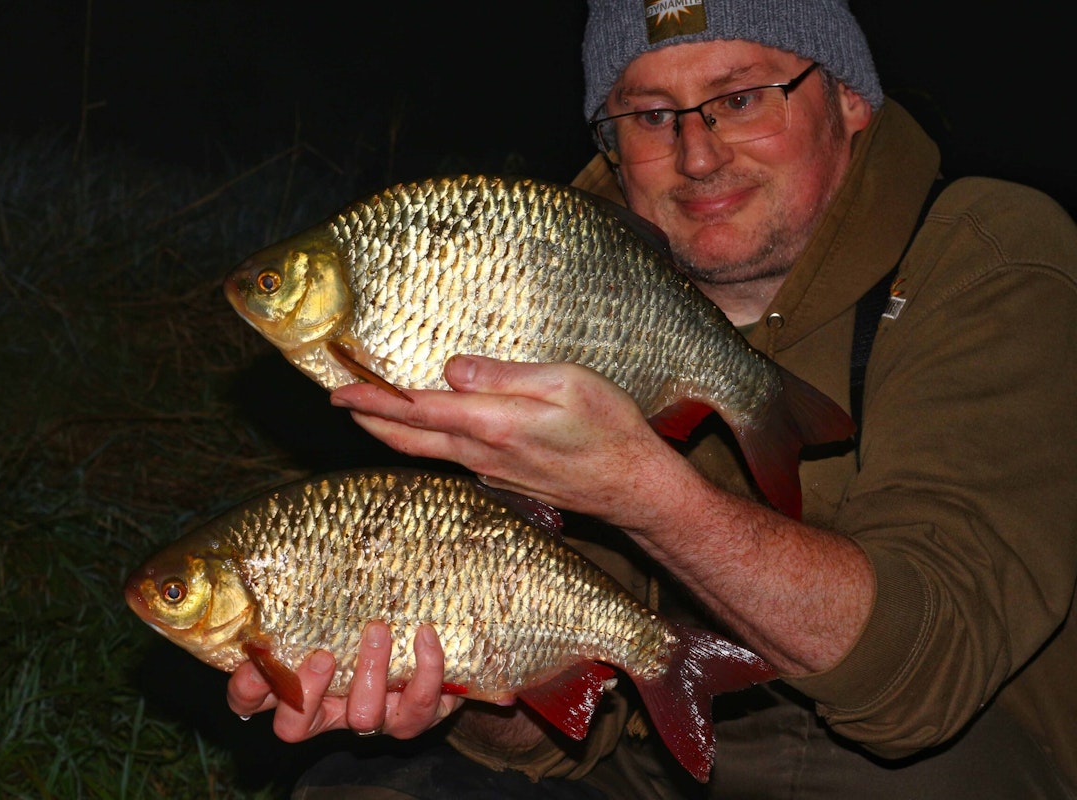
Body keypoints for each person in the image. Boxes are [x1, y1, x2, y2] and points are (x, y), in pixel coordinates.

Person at [227, 0, 1077, 796]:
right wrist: (464, 675)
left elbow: (921, 681)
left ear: (850, 97)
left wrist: (646, 494)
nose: (698, 154)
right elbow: (576, 720)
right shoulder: (536, 288)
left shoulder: (992, 257)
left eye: (741, 98)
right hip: (664, 755)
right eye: (651, 116)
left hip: (942, 757)